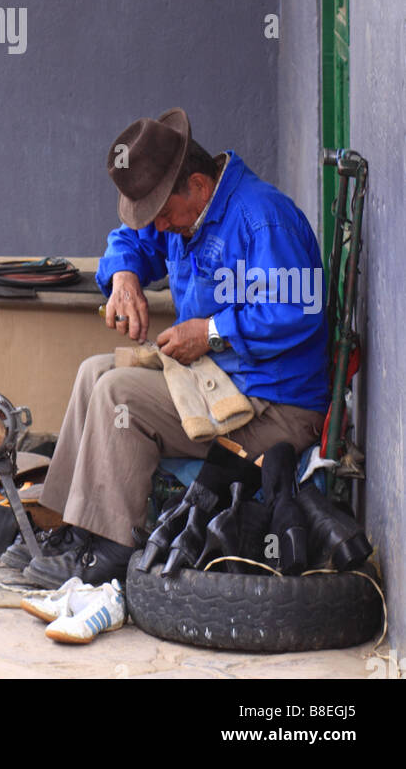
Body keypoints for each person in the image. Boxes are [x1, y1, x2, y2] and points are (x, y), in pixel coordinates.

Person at [22, 107, 329, 589]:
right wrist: (122, 275)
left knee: (118, 394)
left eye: (163, 214)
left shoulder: (263, 219)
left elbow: (297, 313)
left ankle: (112, 548)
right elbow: (131, 240)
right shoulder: (183, 212)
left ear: (201, 185)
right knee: (92, 373)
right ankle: (64, 525)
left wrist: (208, 331)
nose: (159, 226)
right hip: (222, 379)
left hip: (275, 404)